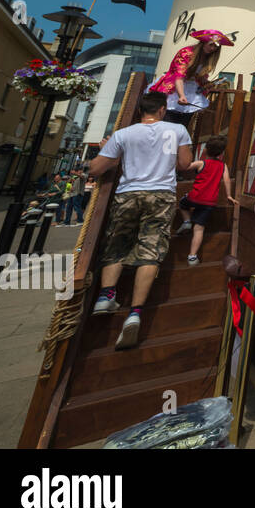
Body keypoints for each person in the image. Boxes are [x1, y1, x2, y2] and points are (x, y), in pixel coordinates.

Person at [87, 91, 194, 350]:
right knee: (150, 250)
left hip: (128, 193)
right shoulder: (177, 129)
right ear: (162, 109)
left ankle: (106, 295)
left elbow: (95, 169)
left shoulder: (124, 134)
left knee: (117, 243)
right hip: (161, 193)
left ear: (140, 112)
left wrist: (108, 150)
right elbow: (184, 164)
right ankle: (135, 312)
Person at [147, 30, 234, 125]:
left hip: (192, 91)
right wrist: (181, 95)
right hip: (174, 89)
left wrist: (207, 83)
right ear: (203, 43)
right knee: (167, 123)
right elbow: (179, 77)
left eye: (215, 47)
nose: (212, 48)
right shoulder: (186, 53)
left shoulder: (208, 58)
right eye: (210, 44)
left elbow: (200, 77)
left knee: (183, 126)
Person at [177, 135, 237, 265]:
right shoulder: (223, 166)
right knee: (199, 229)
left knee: (182, 203)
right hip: (209, 202)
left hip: (195, 197)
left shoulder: (201, 163)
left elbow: (184, 167)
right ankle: (192, 256)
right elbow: (226, 180)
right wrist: (229, 195)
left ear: (205, 149)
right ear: (221, 153)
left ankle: (187, 221)